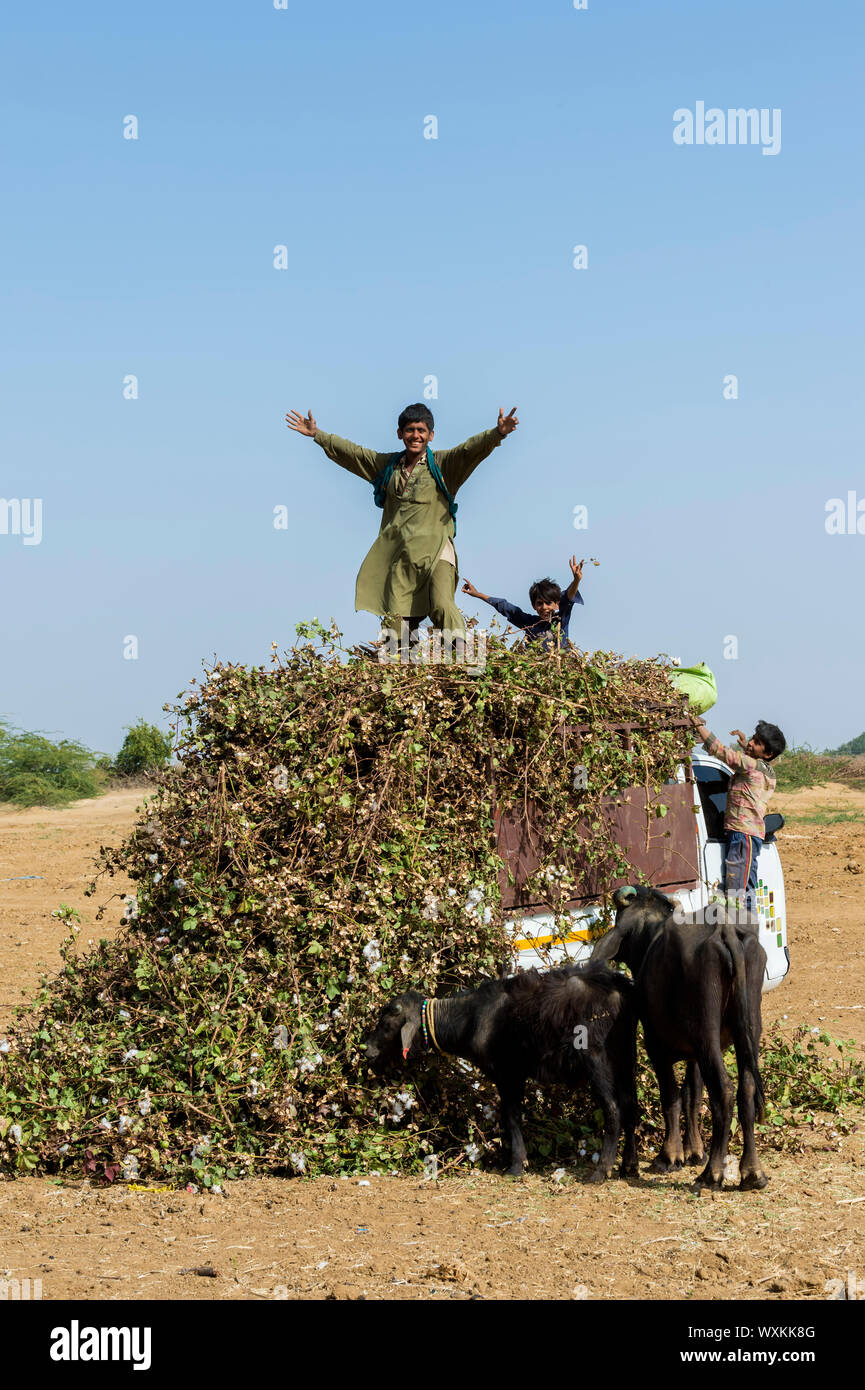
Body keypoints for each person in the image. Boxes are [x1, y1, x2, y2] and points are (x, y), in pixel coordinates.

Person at [285, 403, 518, 641]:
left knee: (442, 606)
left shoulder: (444, 464)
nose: (415, 435)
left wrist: (497, 433)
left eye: (421, 430)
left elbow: (470, 450)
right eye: (409, 430)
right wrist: (318, 435)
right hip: (401, 558)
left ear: (431, 435)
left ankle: (462, 661)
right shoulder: (388, 466)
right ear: (400, 433)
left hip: (437, 552)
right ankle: (401, 667)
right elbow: (354, 454)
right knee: (395, 620)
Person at [691, 717, 787, 910]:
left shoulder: (751, 767)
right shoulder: (766, 771)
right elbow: (748, 766)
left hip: (743, 836)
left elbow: (721, 752)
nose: (751, 742)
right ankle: (746, 934)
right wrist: (748, 749)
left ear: (768, 754)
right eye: (753, 738)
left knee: (738, 896)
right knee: (742, 891)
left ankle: (744, 935)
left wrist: (698, 725)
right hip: (746, 835)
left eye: (757, 743)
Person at [460, 556, 585, 651]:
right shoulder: (530, 623)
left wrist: (576, 581)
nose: (544, 607)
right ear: (533, 606)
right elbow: (505, 607)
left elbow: (568, 598)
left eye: (548, 603)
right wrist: (478, 594)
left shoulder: (560, 620)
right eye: (540, 603)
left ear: (556, 604)